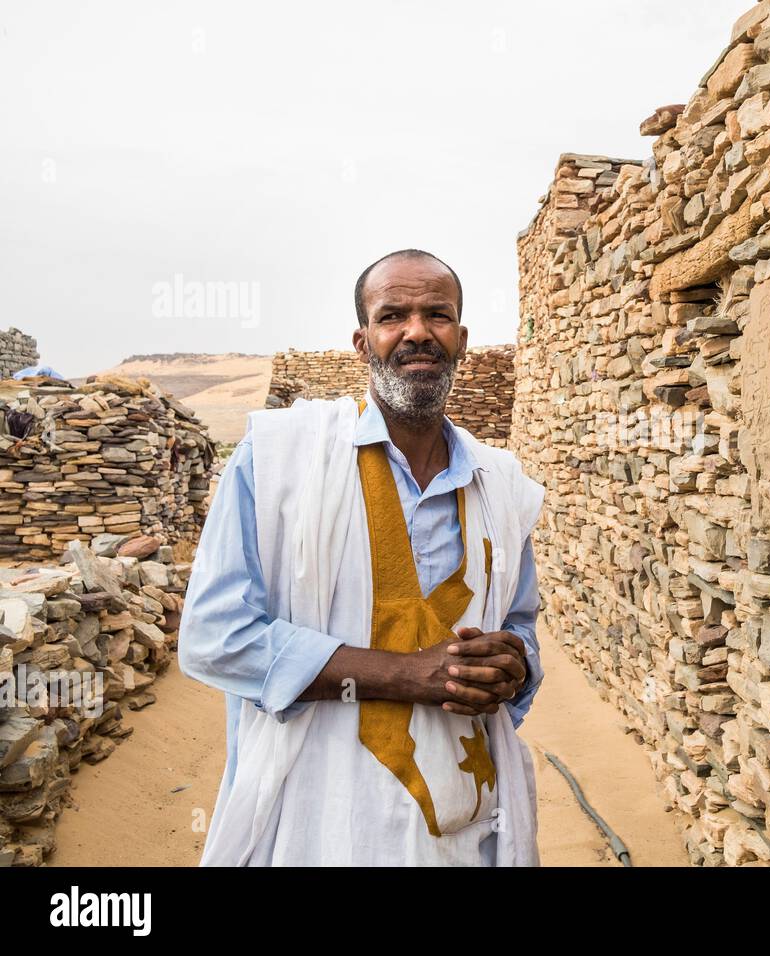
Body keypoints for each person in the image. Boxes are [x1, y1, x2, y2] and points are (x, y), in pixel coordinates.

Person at [179, 249, 544, 866]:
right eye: (392, 315)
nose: (417, 332)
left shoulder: (501, 484)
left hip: (462, 826)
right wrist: (404, 676)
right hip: (316, 824)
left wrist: (513, 666)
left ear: (461, 339)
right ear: (363, 340)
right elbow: (216, 637)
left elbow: (520, 627)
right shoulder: (279, 462)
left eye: (438, 315)